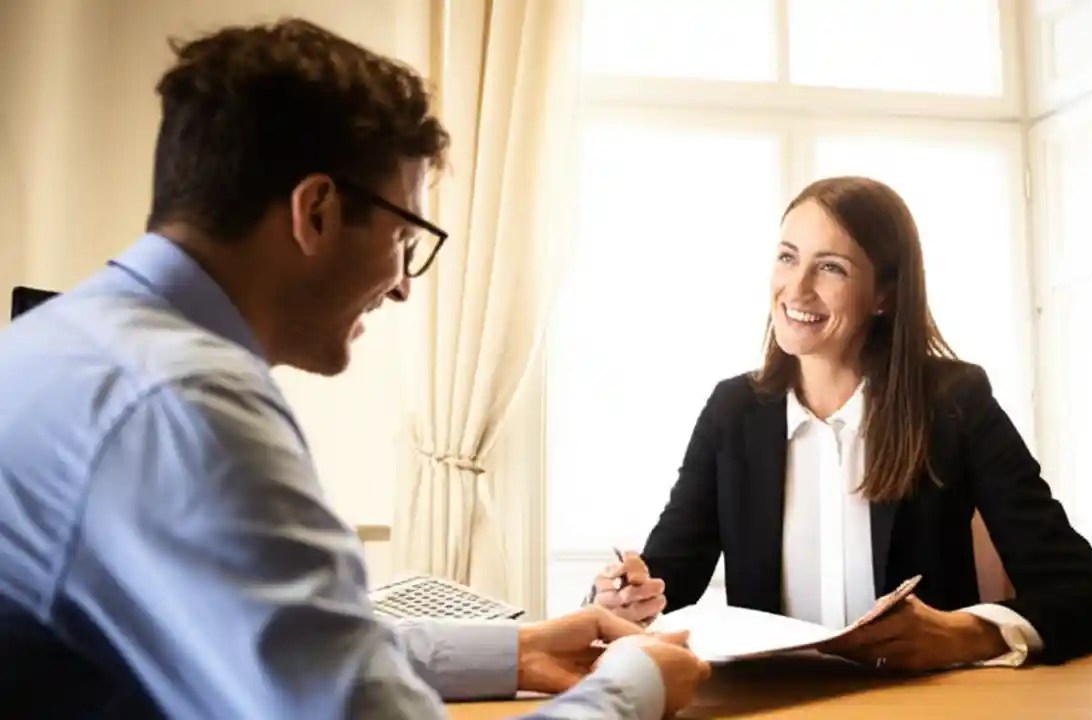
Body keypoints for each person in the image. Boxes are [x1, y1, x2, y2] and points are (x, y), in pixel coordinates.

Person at [0, 18, 708, 719]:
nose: (403, 284)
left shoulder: (63, 345)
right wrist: (632, 686)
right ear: (316, 210)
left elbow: (281, 643)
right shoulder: (187, 407)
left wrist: (517, 650)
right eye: (404, 235)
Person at [592, 176, 1092, 670]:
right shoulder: (733, 413)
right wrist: (625, 599)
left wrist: (968, 633)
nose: (796, 289)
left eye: (830, 267)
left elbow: (1089, 599)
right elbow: (664, 584)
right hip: (776, 709)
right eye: (787, 257)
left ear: (884, 295)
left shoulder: (954, 402)